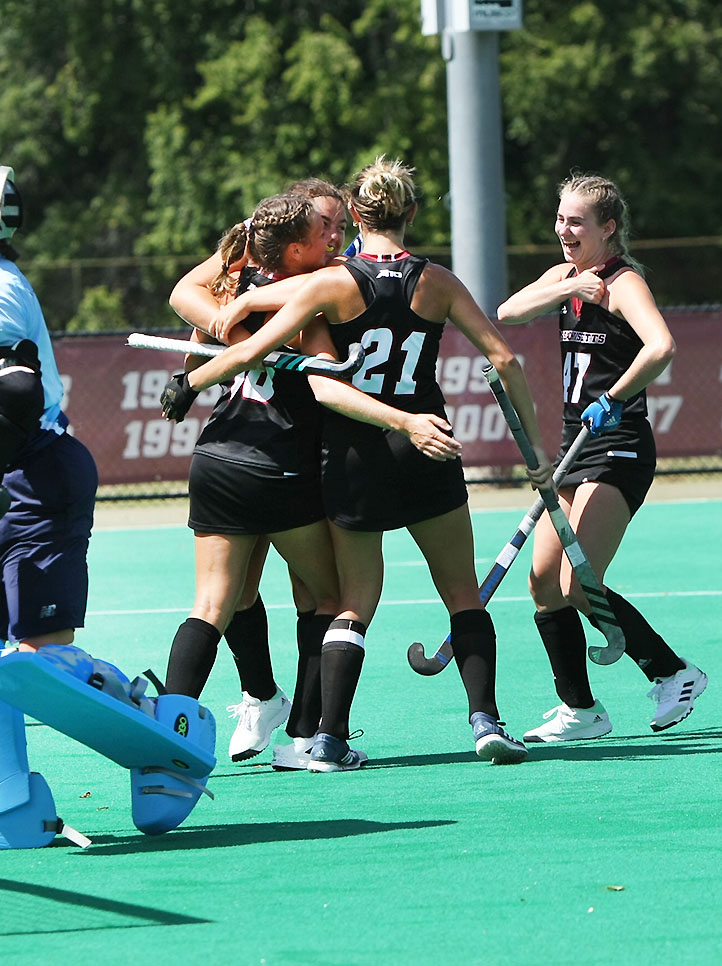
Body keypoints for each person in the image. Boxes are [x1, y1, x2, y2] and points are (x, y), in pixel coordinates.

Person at [161, 157, 552, 770]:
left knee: (348, 603)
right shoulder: (438, 282)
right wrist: (536, 452)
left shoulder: (332, 283)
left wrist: (195, 374)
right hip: (428, 445)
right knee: (460, 594)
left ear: (357, 215)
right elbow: (504, 359)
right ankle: (486, 721)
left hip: (351, 457)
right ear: (412, 213)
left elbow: (260, 342)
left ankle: (327, 739)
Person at [0, 161, 212, 848]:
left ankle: (173, 740)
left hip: (32, 475)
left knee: (36, 658)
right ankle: (4, 799)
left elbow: (13, 394)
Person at [496, 172, 707, 740]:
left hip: (616, 446)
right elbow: (509, 311)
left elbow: (661, 345)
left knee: (578, 582)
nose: (564, 230)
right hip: (573, 447)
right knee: (542, 582)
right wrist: (567, 289)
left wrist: (614, 400)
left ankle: (674, 673)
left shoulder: (623, 282)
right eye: (560, 218)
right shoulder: (568, 276)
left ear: (608, 228)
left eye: (577, 222)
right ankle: (582, 711)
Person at [162, 192, 344, 767]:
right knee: (330, 596)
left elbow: (193, 313)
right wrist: (237, 338)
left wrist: (231, 332)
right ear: (294, 244)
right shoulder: (315, 294)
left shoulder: (246, 286)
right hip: (283, 461)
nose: (334, 236)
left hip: (218, 455)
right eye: (324, 227)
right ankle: (300, 733)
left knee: (215, 602)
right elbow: (325, 364)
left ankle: (169, 734)